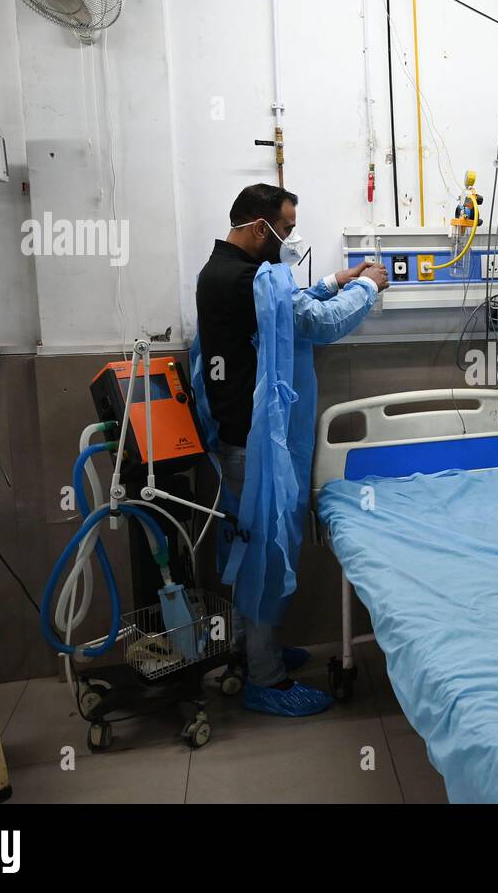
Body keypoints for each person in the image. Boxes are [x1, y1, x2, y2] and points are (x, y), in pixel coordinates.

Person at [193, 183, 388, 716]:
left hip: (236, 442)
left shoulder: (220, 270)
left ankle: (248, 651)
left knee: (249, 547)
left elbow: (287, 308)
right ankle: (265, 679)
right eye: (286, 227)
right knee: (262, 555)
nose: (290, 238)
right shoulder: (249, 279)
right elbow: (314, 322)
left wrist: (334, 280)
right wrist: (367, 289)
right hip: (255, 450)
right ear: (261, 228)